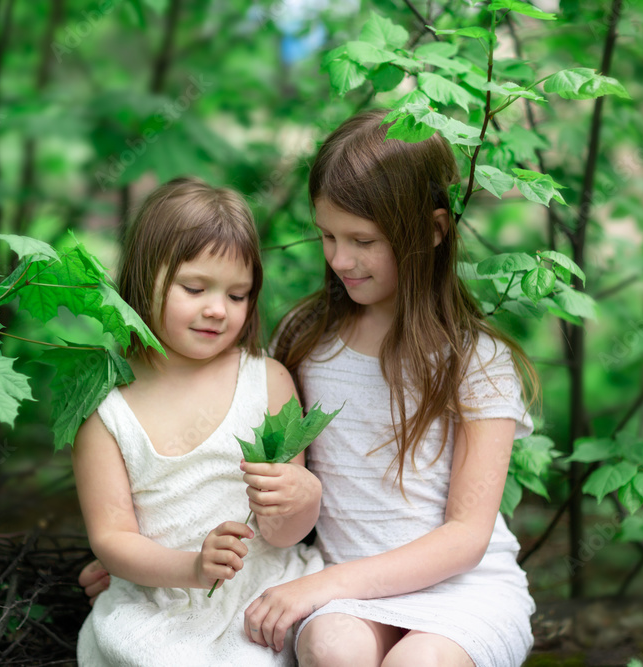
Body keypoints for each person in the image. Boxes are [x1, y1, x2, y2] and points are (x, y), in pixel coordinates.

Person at [241, 109, 539, 667]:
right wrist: (157, 558)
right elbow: (260, 471)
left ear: (432, 230)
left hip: (464, 591)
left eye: (362, 240)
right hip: (346, 593)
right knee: (333, 649)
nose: (339, 259)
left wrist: (317, 589)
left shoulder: (475, 361)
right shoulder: (308, 339)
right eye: (327, 235)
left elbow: (465, 538)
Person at [72, 176, 325, 666]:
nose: (217, 310)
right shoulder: (108, 408)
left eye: (237, 295)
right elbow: (112, 537)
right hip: (162, 595)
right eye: (195, 287)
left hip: (262, 589)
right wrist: (191, 568)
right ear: (145, 277)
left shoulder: (267, 383)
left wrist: (303, 497)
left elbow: (285, 530)